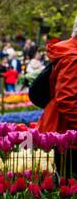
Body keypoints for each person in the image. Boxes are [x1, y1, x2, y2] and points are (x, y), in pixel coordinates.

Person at [38, 17, 77, 176]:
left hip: (67, 135)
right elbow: (67, 100)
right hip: (70, 136)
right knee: (69, 186)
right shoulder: (73, 58)